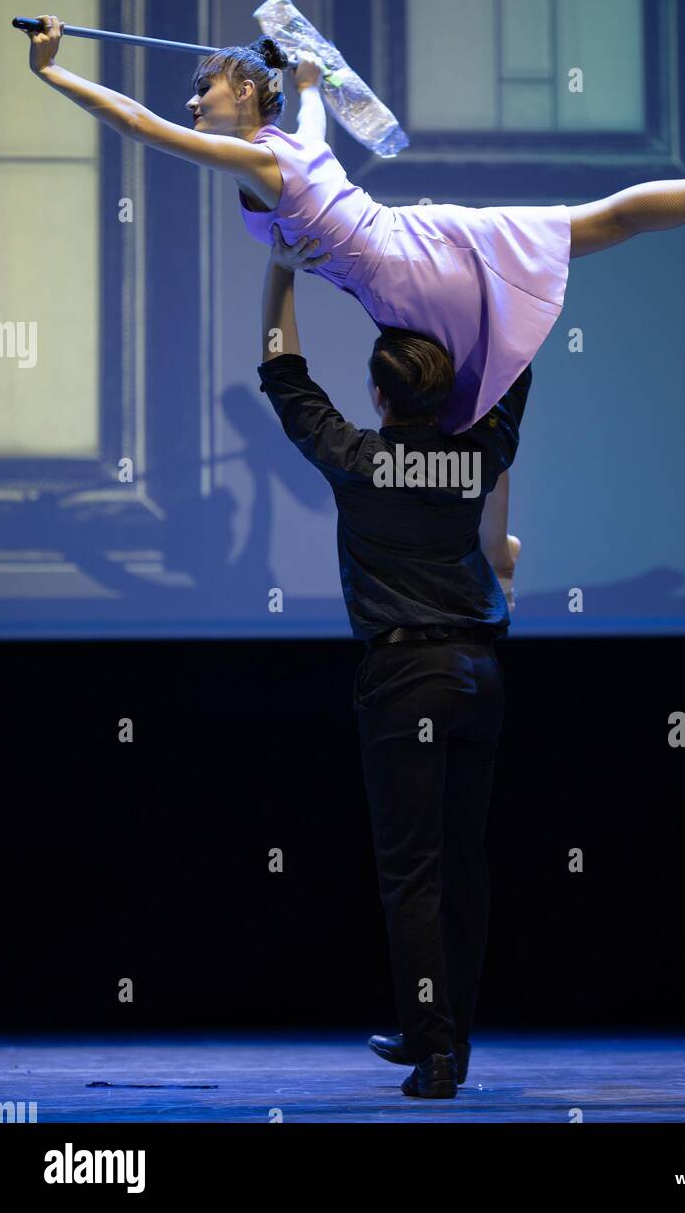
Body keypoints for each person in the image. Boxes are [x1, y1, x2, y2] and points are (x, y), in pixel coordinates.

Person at [22, 16, 685, 604]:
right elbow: (309, 109)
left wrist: (53, 71)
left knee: (471, 400)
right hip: (435, 234)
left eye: (202, 90)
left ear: (243, 88)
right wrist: (309, 81)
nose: (193, 105)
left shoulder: (254, 162)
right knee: (596, 228)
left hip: (409, 279)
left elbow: (140, 128)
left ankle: (496, 551)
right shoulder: (295, 143)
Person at [256, 221, 532, 1098]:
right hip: (479, 675)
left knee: (411, 870)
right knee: (463, 863)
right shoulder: (478, 452)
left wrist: (280, 271)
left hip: (403, 676)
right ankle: (442, 1032)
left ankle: (437, 1045)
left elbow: (280, 372)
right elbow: (515, 356)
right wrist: (461, 283)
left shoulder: (358, 460)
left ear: (378, 399)